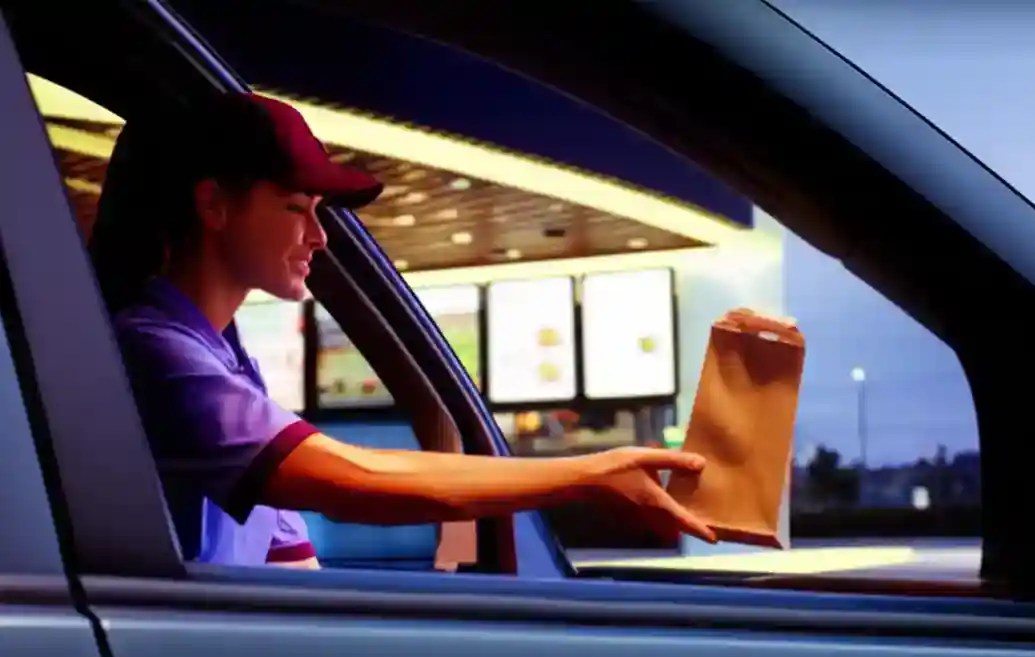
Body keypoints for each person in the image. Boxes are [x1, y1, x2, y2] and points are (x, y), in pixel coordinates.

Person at [89, 91, 715, 569]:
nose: (318, 235)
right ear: (213, 206)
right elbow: (359, 483)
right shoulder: (156, 353)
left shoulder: (222, 357)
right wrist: (589, 476)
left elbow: (293, 567)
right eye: (295, 208)